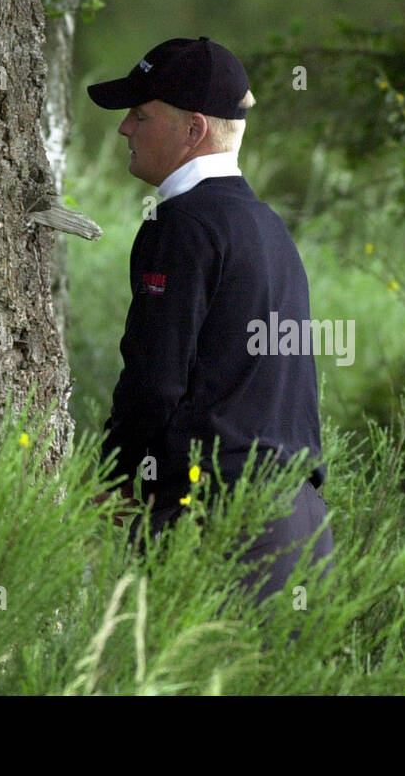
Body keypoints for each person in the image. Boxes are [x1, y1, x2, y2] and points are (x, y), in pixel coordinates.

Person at [87, 36, 333, 606]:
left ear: (193, 130)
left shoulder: (181, 226)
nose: (125, 128)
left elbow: (155, 381)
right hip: (300, 525)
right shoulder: (268, 227)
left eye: (140, 114)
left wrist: (112, 481)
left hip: (221, 523)